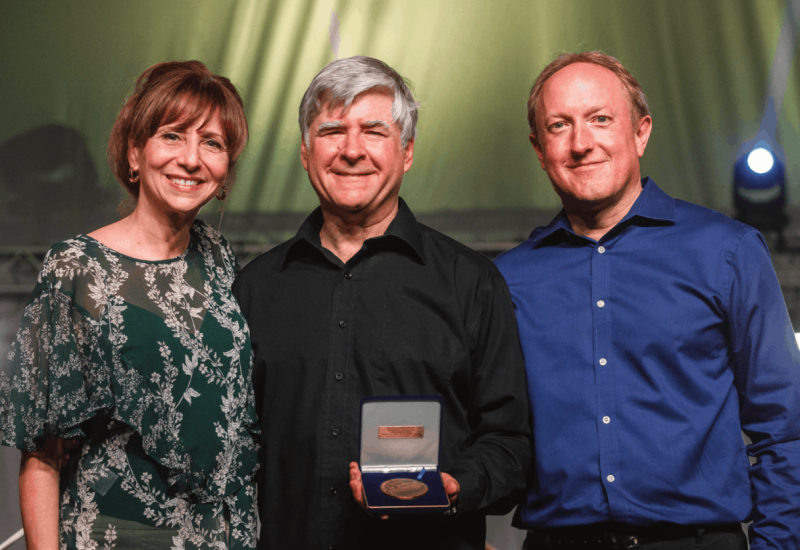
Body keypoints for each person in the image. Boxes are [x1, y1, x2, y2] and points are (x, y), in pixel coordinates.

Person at [494, 51, 800, 550]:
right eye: (559, 126)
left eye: (600, 119)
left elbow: (785, 427)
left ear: (641, 132)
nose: (581, 143)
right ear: (538, 147)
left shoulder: (726, 251)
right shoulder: (508, 280)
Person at [232, 55, 532, 550]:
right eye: (331, 131)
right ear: (306, 153)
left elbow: (510, 445)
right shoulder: (257, 288)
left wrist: (455, 485)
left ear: (407, 151)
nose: (352, 150)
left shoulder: (471, 283)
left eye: (374, 131)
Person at [0, 61, 260, 549]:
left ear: (225, 172)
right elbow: (41, 455)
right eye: (172, 136)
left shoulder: (221, 261)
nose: (191, 159)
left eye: (212, 143)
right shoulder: (76, 271)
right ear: (134, 153)